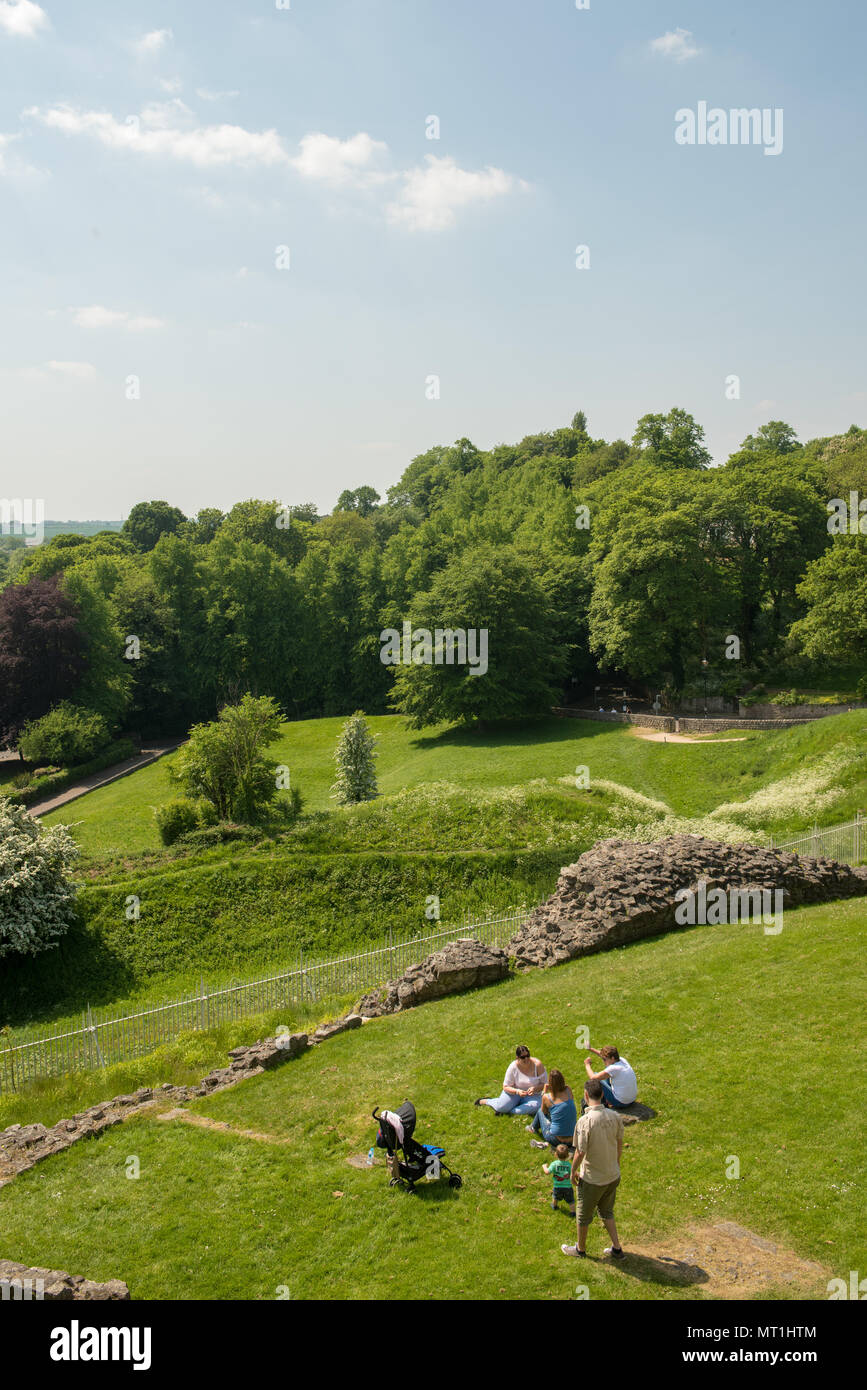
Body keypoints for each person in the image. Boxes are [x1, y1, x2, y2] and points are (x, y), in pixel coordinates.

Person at [561, 1078, 625, 1260]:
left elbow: (580, 1152)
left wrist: (572, 1171)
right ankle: (617, 1248)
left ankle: (580, 1250)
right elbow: (619, 1142)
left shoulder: (585, 1121)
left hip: (592, 1179)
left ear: (586, 1095)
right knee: (607, 1211)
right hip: (613, 1174)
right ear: (603, 1094)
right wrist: (616, 1162)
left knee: (583, 1215)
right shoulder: (615, 1116)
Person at [475, 1045, 547, 1115]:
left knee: (538, 1106)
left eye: (528, 1056)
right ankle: (486, 1101)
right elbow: (505, 1087)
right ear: (517, 1058)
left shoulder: (537, 1065)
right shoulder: (513, 1067)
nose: (526, 1059)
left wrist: (535, 1088)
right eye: (523, 1057)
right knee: (501, 1106)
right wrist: (517, 1091)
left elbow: (545, 1084)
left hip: (533, 1096)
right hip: (514, 1093)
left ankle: (508, 1111)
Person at [528, 1069, 577, 1148]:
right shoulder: (568, 1090)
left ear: (550, 1083)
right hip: (573, 1140)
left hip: (556, 1139)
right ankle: (532, 1127)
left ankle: (532, 1127)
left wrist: (544, 1090)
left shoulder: (547, 1097)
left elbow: (544, 1112)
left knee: (540, 1111)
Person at [582, 1045, 637, 1111]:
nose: (603, 1061)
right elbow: (603, 1055)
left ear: (613, 1058)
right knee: (607, 1068)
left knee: (596, 1078)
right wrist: (591, 1049)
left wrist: (587, 1065)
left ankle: (602, 1104)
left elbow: (593, 1077)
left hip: (621, 1102)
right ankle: (607, 1098)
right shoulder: (622, 1060)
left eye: (604, 1060)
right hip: (631, 1099)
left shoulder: (613, 1068)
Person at [543, 1144, 575, 1216]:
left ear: (556, 1154)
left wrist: (544, 1166)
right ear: (568, 1156)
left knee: (555, 1197)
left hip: (557, 1187)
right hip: (568, 1187)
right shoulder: (569, 1165)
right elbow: (572, 1173)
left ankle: (554, 1206)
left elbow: (547, 1172)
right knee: (571, 1201)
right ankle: (573, 1212)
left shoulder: (554, 1164)